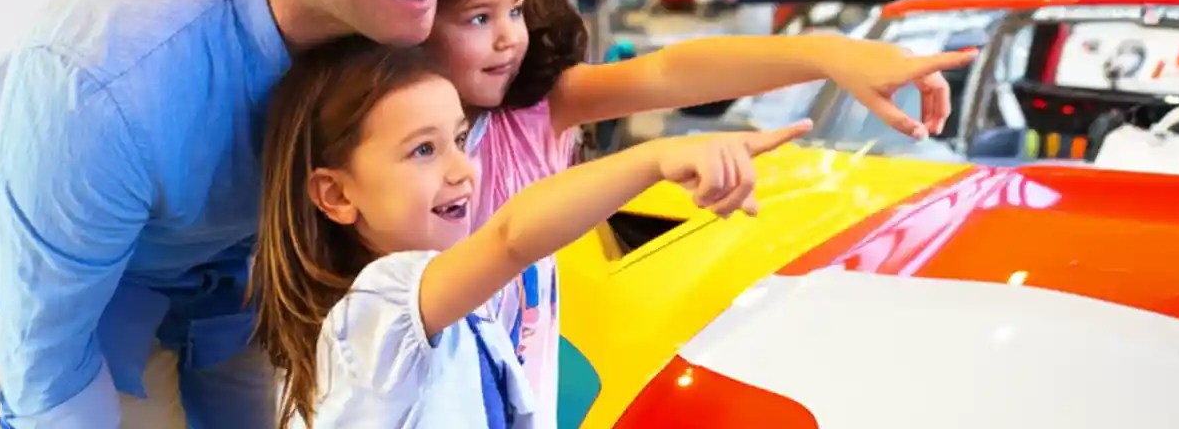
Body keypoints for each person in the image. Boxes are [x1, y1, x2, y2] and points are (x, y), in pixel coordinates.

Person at [0, 0, 460, 428]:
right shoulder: (110, 81)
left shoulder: (401, 3)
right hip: (103, 282)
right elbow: (48, 371)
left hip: (238, 272)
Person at [422, 0, 979, 423]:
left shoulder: (533, 115)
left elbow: (669, 73)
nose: (507, 39)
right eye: (477, 19)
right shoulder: (388, 148)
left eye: (515, 11)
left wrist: (829, 54)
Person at [247, 35, 814, 428]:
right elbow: (511, 238)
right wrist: (655, 160)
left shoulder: (454, 311)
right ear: (337, 194)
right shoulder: (373, 311)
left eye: (459, 140)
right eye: (423, 150)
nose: (461, 170)